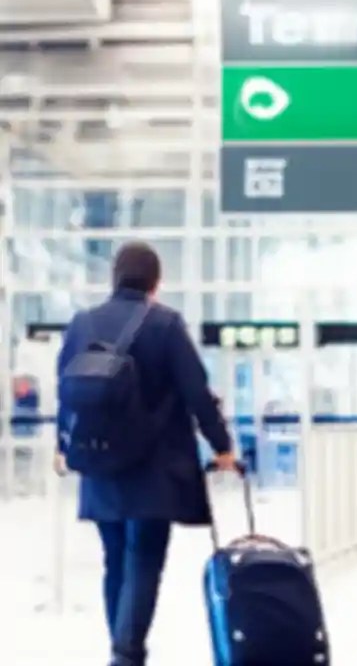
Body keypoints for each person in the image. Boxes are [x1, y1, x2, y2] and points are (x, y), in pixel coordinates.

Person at [54, 241, 237, 666]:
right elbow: (197, 393)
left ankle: (121, 648)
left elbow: (67, 394)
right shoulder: (166, 325)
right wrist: (222, 447)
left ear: (115, 278)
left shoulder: (83, 324)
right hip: (154, 469)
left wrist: (62, 445)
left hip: (98, 463)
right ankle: (126, 653)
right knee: (143, 559)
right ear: (156, 283)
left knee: (114, 561)